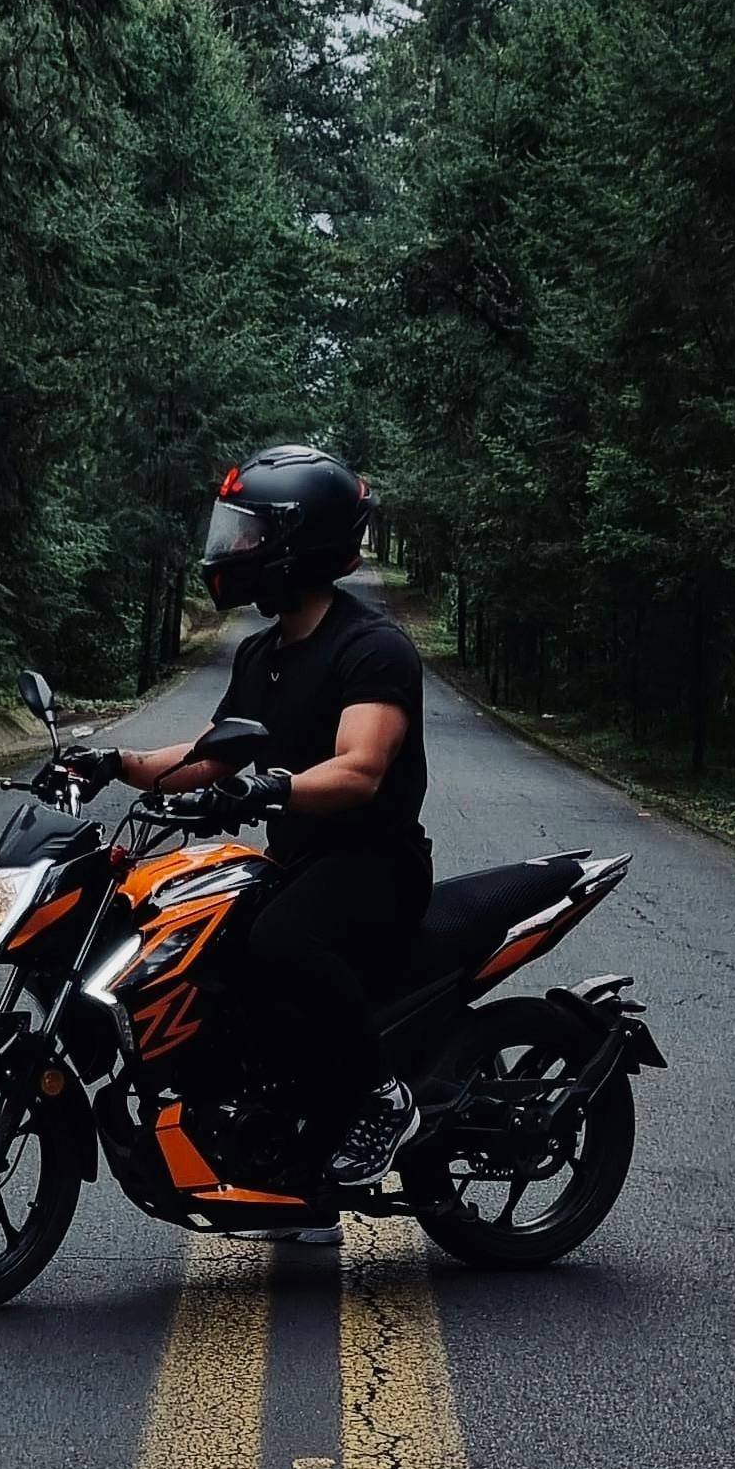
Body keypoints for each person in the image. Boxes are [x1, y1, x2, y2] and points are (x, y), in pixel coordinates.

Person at [76, 444, 430, 1188]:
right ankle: (285, 1146)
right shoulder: (263, 653)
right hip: (301, 859)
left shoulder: (373, 649)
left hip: (375, 864)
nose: (232, 548)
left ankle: (379, 1097)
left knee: (278, 941)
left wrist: (266, 790)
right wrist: (110, 763)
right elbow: (211, 755)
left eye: (249, 532)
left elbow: (360, 770)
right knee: (210, 947)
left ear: (298, 544)